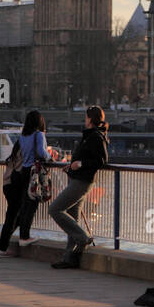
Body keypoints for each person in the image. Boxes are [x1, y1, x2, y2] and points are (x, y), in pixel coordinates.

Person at [49, 105, 109, 268]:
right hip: (76, 177)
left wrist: (80, 164)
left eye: (86, 117)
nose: (84, 119)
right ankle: (70, 257)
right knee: (72, 215)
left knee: (55, 209)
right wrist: (72, 166)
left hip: (82, 181)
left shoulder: (96, 136)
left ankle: (83, 237)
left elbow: (101, 161)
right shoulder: (90, 135)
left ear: (90, 119)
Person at [0, 109, 54, 256]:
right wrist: (49, 156)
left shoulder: (22, 137)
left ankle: (7, 243)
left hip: (21, 174)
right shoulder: (39, 135)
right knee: (31, 204)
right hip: (33, 172)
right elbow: (41, 152)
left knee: (19, 208)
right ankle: (24, 236)